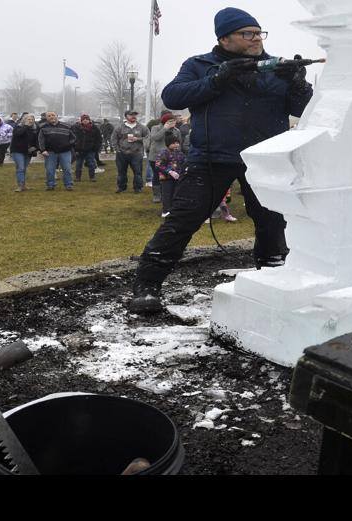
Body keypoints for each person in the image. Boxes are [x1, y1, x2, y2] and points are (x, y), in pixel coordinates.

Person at [130, 6, 314, 313]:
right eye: (248, 34)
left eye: (259, 33)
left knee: (271, 221)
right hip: (211, 157)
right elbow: (173, 96)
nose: (257, 39)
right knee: (183, 220)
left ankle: (270, 275)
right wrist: (217, 79)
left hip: (265, 158)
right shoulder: (200, 65)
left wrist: (298, 82)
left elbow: (305, 108)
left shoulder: (275, 67)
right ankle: (147, 285)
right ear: (225, 38)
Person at [36, 111, 75, 190]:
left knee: (67, 169)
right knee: (50, 169)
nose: (51, 117)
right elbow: (40, 140)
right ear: (46, 118)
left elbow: (74, 138)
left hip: (65, 151)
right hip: (50, 152)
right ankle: (50, 185)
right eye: (49, 116)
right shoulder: (43, 127)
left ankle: (68, 185)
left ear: (57, 116)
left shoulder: (67, 126)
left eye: (53, 115)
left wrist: (68, 145)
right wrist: (43, 150)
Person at [112, 110, 147, 193]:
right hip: (122, 153)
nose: (133, 116)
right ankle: (121, 187)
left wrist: (138, 139)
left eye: (135, 114)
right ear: (126, 116)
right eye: (131, 115)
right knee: (121, 172)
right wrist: (117, 149)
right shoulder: (119, 127)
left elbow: (148, 138)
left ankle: (138, 188)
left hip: (136, 153)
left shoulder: (142, 127)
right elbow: (114, 138)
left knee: (138, 172)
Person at [152, 134, 186, 216]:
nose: (176, 145)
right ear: (168, 144)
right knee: (167, 194)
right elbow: (158, 165)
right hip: (166, 178)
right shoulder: (163, 153)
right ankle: (165, 211)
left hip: (177, 178)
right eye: (174, 143)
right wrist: (169, 171)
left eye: (177, 143)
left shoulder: (180, 153)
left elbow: (184, 162)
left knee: (176, 193)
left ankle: (174, 209)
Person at [9, 112, 37, 190]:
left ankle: (23, 185)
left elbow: (37, 140)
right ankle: (20, 185)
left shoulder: (34, 129)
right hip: (17, 151)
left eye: (32, 119)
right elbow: (18, 134)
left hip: (28, 152)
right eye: (28, 119)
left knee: (24, 168)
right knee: (20, 168)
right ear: (24, 120)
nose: (30, 121)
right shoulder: (18, 127)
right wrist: (26, 126)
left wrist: (35, 147)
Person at [72, 113, 102, 180]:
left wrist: (96, 148)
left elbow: (99, 139)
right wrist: (75, 148)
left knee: (91, 164)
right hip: (79, 149)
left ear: (89, 120)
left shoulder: (94, 128)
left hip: (90, 150)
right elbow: (73, 138)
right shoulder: (77, 128)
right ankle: (77, 177)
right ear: (81, 120)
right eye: (84, 119)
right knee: (78, 164)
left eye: (86, 119)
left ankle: (92, 177)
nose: (85, 120)